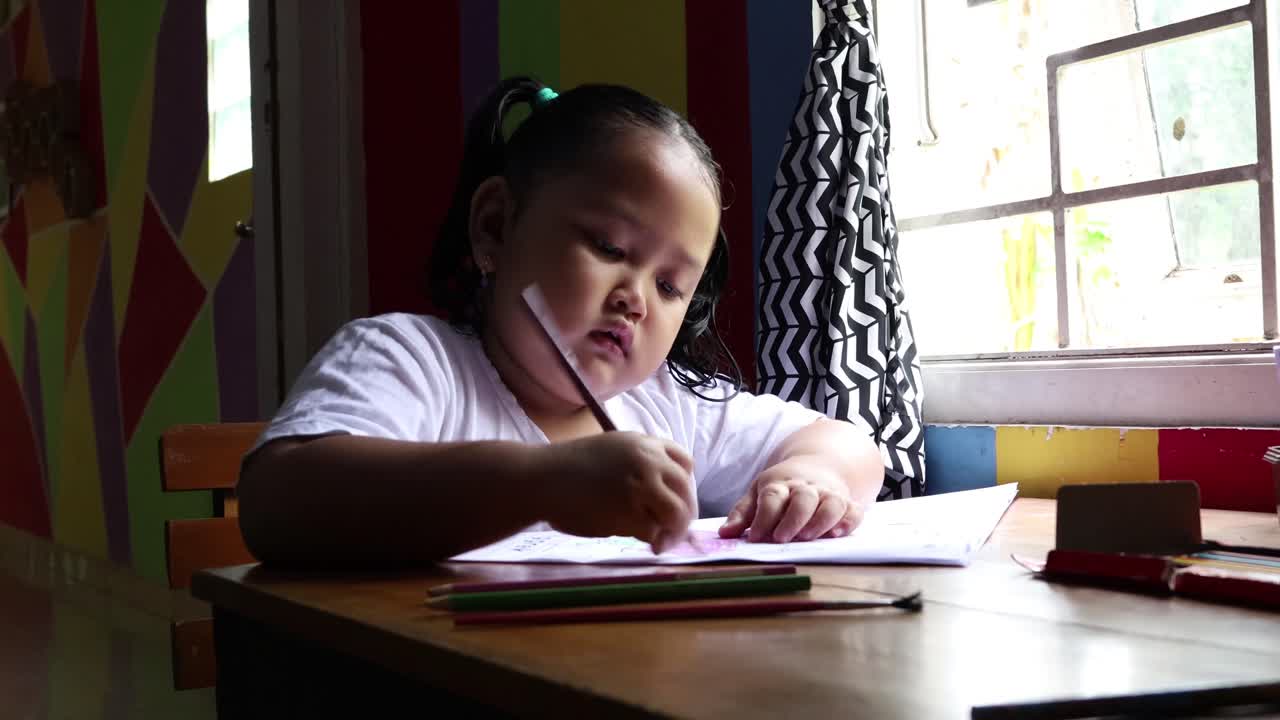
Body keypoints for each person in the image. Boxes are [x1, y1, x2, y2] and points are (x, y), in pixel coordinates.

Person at [237, 76, 884, 567]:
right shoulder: (412, 360)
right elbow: (278, 503)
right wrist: (542, 483)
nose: (637, 297)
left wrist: (811, 478)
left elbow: (848, 443)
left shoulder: (664, 406)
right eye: (608, 249)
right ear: (495, 227)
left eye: (669, 285)